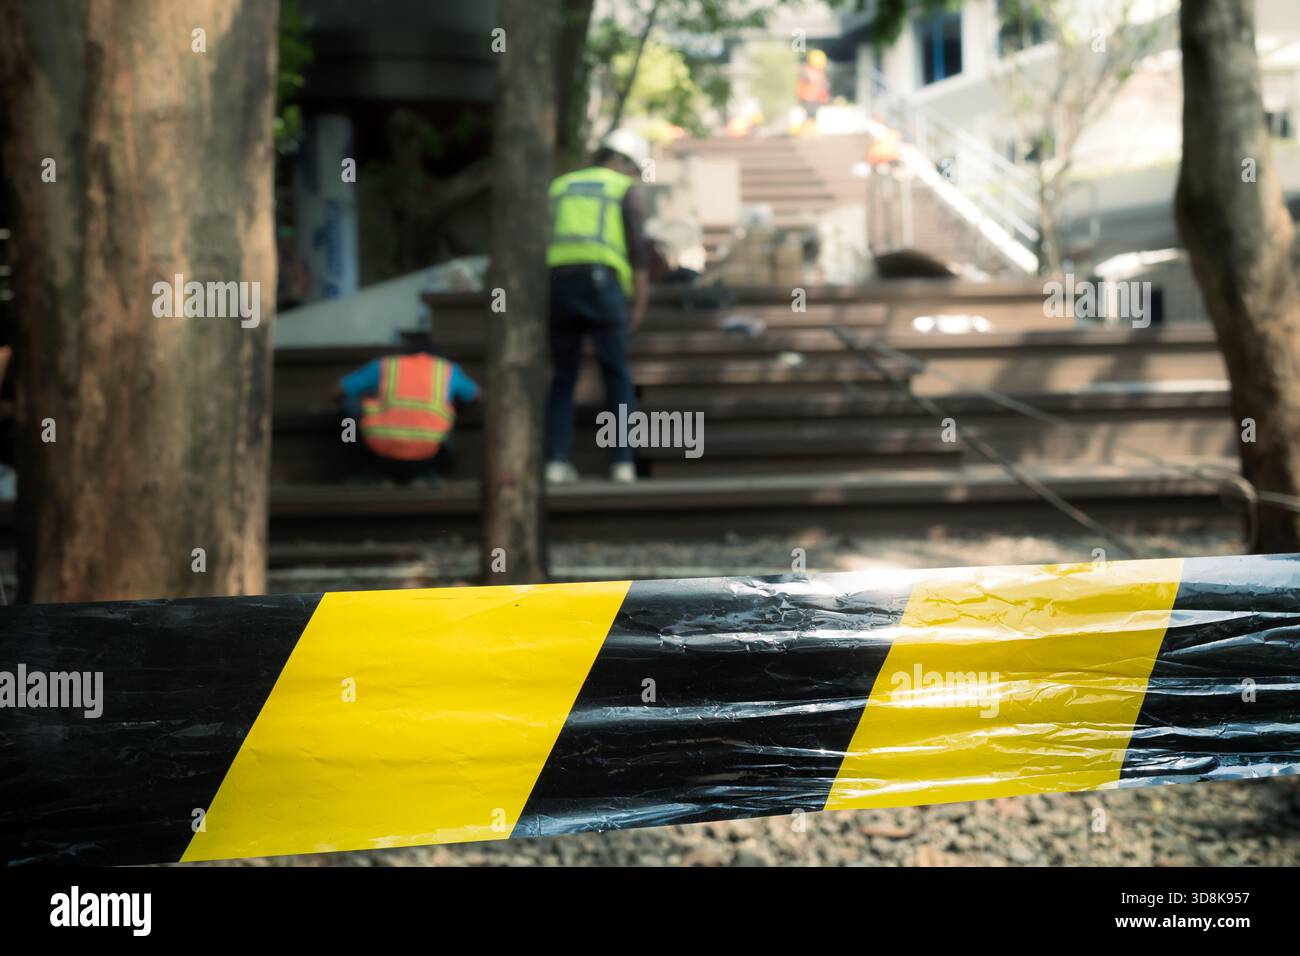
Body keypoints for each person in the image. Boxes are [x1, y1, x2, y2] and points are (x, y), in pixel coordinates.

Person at [544, 128, 651, 485]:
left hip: (559, 285)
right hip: (602, 285)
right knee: (617, 374)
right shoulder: (622, 189)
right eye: (633, 167)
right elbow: (638, 251)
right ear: (620, 160)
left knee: (563, 376)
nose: (633, 175)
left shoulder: (561, 186)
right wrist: (639, 303)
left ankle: (555, 462)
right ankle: (622, 463)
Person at [334, 335, 479, 485]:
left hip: (378, 457)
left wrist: (373, 398)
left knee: (348, 410)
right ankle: (429, 475)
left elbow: (339, 391)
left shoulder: (386, 365)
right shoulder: (448, 370)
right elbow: (475, 397)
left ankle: (360, 470)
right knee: (448, 412)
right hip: (428, 458)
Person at [796, 49, 831, 129]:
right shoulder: (806, 71)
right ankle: (807, 131)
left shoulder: (819, 72)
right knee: (809, 117)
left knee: (813, 118)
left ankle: (810, 130)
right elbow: (812, 79)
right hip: (807, 99)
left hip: (815, 99)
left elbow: (824, 85)